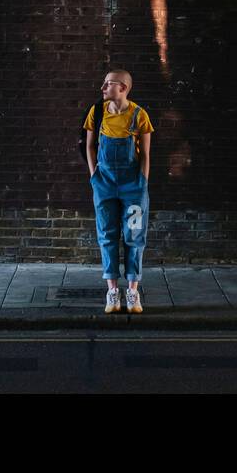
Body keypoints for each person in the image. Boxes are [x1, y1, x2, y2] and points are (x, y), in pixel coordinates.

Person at [84, 69, 154, 313]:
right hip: (104, 184)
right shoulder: (97, 112)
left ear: (122, 88)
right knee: (107, 234)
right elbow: (90, 146)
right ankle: (112, 291)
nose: (103, 87)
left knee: (134, 235)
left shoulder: (139, 115)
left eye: (108, 83)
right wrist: (94, 176)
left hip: (132, 186)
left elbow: (145, 154)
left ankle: (133, 291)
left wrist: (142, 182)